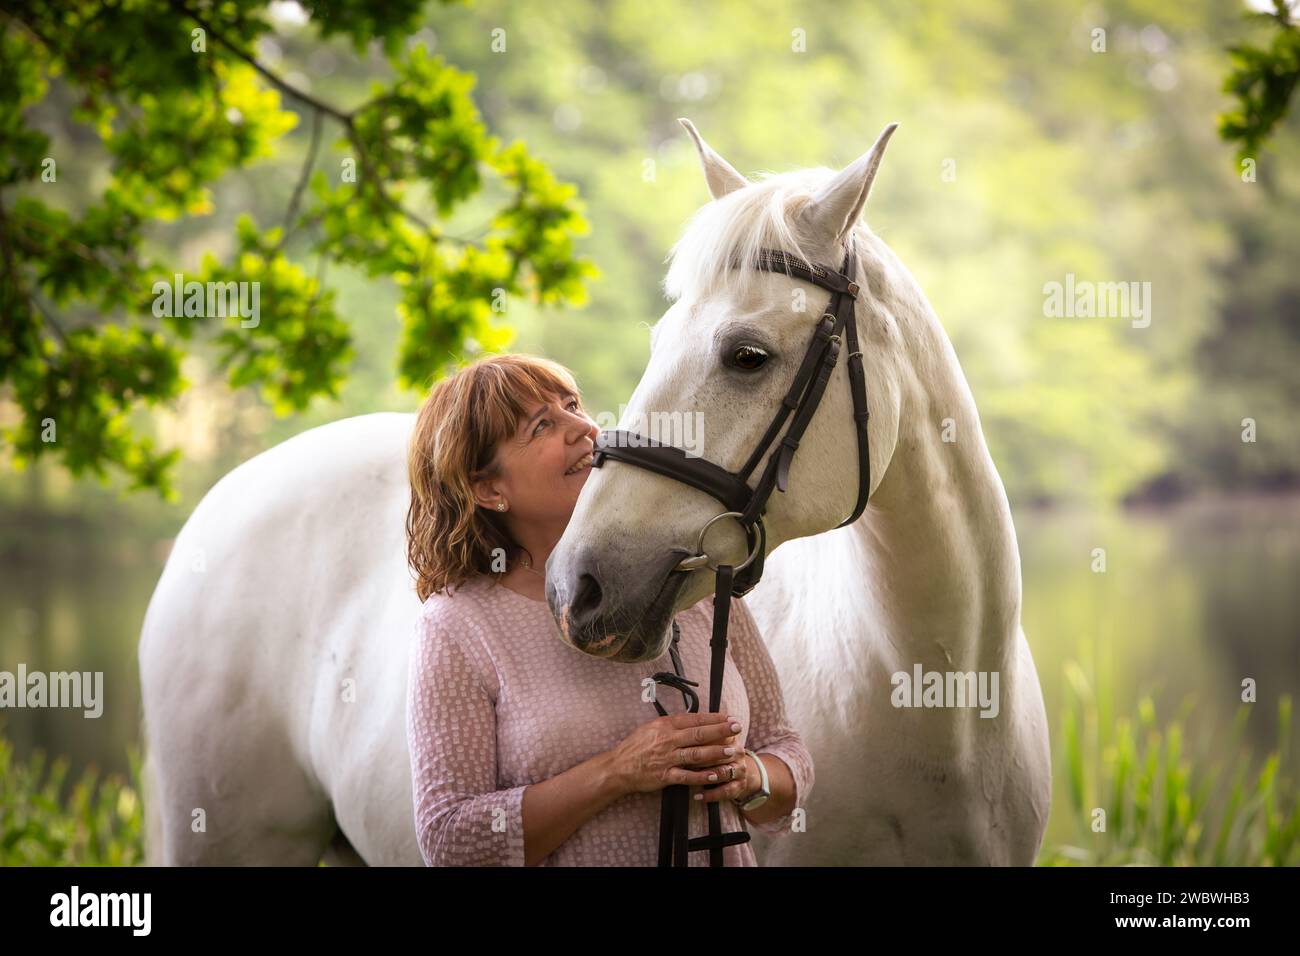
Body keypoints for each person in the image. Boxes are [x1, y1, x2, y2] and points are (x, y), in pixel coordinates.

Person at [404, 352, 814, 866]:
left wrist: (749, 774)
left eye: (573, 405)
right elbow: (449, 840)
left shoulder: (696, 580)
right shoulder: (458, 627)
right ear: (489, 488)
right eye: (542, 426)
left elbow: (785, 752)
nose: (582, 426)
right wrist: (617, 771)